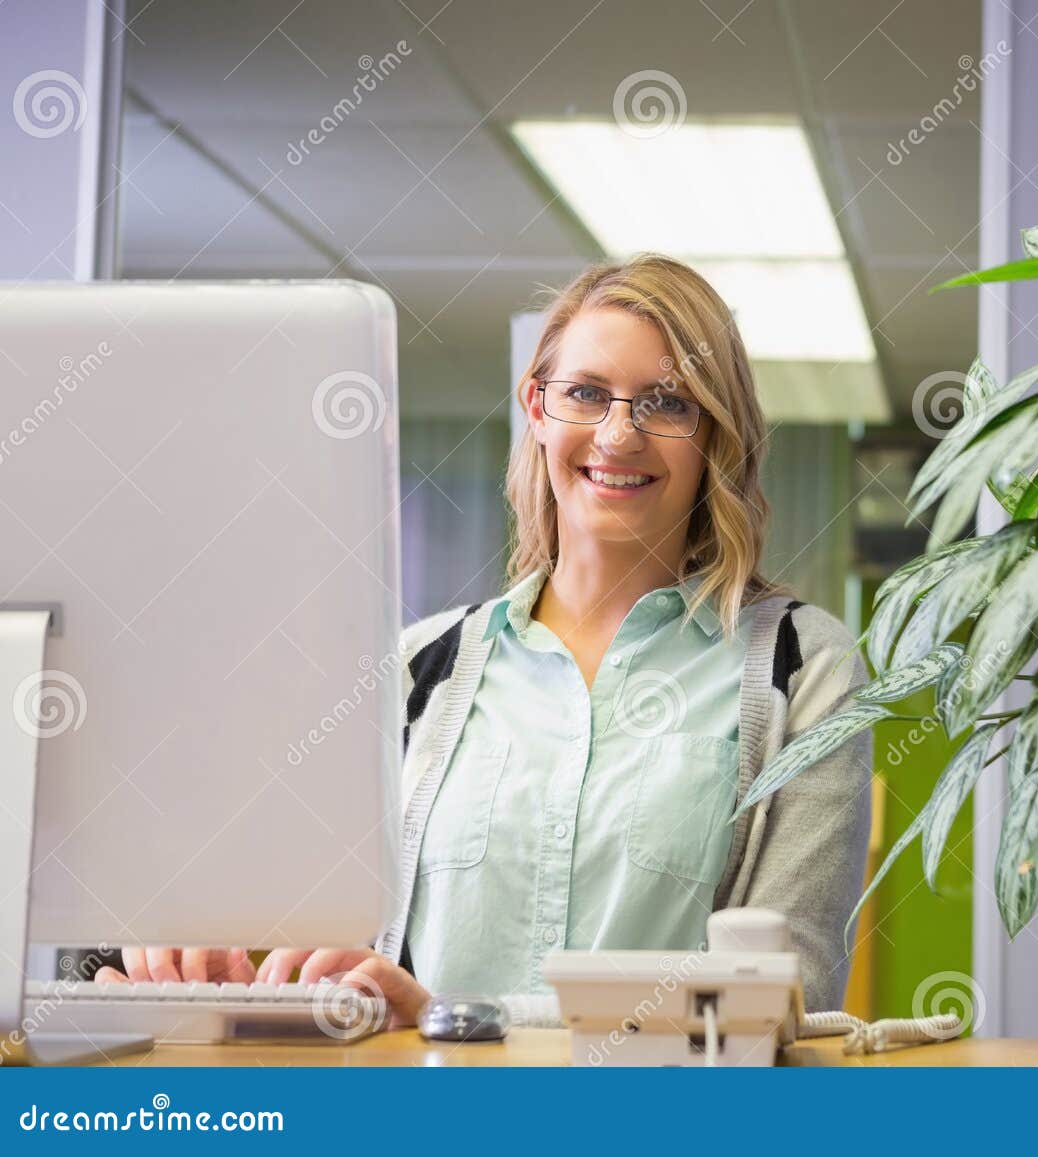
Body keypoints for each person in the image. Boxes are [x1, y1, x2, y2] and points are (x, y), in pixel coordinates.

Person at [97, 254, 874, 1027]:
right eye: (586, 394)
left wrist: (455, 1014)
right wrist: (189, 946)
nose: (618, 433)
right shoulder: (415, 670)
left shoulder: (803, 669)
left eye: (667, 403)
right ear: (536, 409)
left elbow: (788, 989)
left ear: (714, 434)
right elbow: (264, 899)